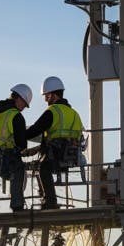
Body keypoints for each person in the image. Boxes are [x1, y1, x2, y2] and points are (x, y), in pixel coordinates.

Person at [25, 76, 84, 210]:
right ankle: (45, 196)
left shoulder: (53, 111)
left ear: (54, 94)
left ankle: (50, 200)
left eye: (47, 96)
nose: (45, 99)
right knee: (42, 165)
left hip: (58, 153)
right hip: (71, 154)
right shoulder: (74, 113)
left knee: (42, 168)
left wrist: (19, 135)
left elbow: (36, 129)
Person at [0, 83, 32, 214]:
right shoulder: (15, 116)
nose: (23, 108)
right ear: (18, 99)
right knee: (19, 169)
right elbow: (22, 145)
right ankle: (17, 206)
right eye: (24, 104)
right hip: (2, 159)